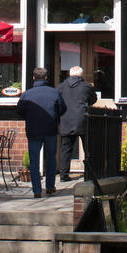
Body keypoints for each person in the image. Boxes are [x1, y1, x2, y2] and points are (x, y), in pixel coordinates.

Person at [16, 66, 66, 199]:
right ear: (46, 78)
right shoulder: (54, 93)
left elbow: (20, 111)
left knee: (34, 161)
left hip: (33, 130)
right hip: (50, 129)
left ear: (33, 78)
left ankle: (37, 190)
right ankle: (50, 187)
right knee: (51, 158)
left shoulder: (26, 94)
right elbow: (62, 109)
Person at [58, 65, 97, 181]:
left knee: (66, 149)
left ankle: (64, 175)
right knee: (88, 149)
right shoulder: (86, 86)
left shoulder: (61, 87)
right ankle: (89, 174)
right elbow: (93, 99)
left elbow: (57, 101)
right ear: (81, 75)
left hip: (66, 120)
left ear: (69, 74)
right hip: (82, 120)